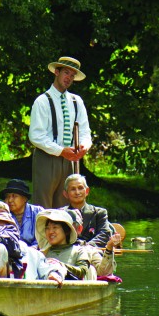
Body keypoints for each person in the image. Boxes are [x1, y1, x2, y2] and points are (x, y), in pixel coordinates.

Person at [29, 57, 92, 208]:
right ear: (57, 72)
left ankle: (68, 231)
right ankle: (41, 232)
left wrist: (84, 146)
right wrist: (60, 150)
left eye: (72, 75)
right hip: (47, 157)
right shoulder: (42, 101)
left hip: (70, 159)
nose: (69, 78)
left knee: (67, 206)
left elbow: (85, 131)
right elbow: (36, 136)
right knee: (43, 205)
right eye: (66, 73)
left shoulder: (77, 101)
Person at [34, 208, 96, 281]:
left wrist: (60, 265)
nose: (50, 231)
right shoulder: (42, 253)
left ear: (66, 230)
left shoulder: (79, 251)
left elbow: (82, 271)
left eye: (55, 227)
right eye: (47, 228)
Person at [61, 174, 112, 248]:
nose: (77, 192)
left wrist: (86, 246)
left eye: (80, 188)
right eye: (73, 189)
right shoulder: (61, 214)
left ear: (87, 191)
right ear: (65, 194)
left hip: (92, 253)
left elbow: (104, 234)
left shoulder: (99, 213)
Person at [0, 179, 44, 248]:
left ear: (25, 199)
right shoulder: (3, 215)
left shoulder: (38, 212)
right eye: (7, 196)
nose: (10, 200)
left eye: (14, 196)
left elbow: (43, 238)